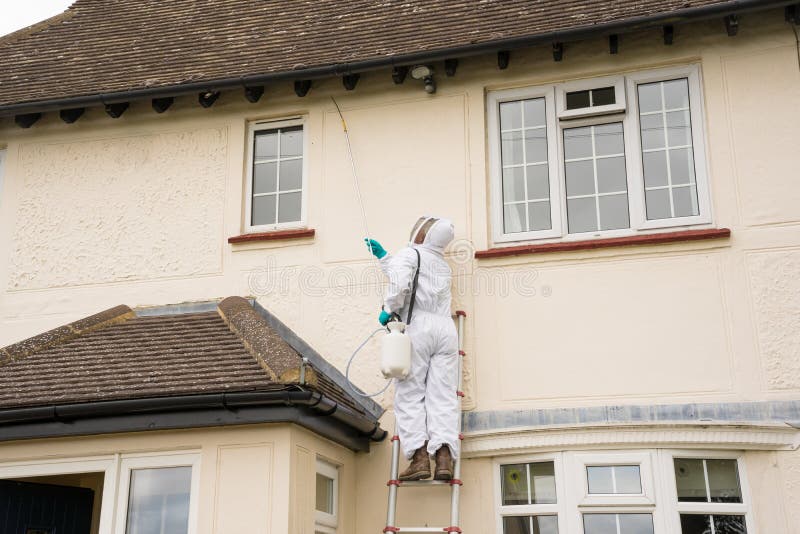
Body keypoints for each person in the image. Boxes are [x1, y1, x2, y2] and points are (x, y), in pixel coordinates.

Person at [365, 216, 459, 481]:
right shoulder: (441, 263)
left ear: (422, 234)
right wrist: (384, 257)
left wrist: (388, 309)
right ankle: (443, 458)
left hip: (418, 326)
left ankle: (419, 458)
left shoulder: (410, 254)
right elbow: (405, 273)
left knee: (409, 393)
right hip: (446, 330)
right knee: (442, 395)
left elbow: (400, 283)